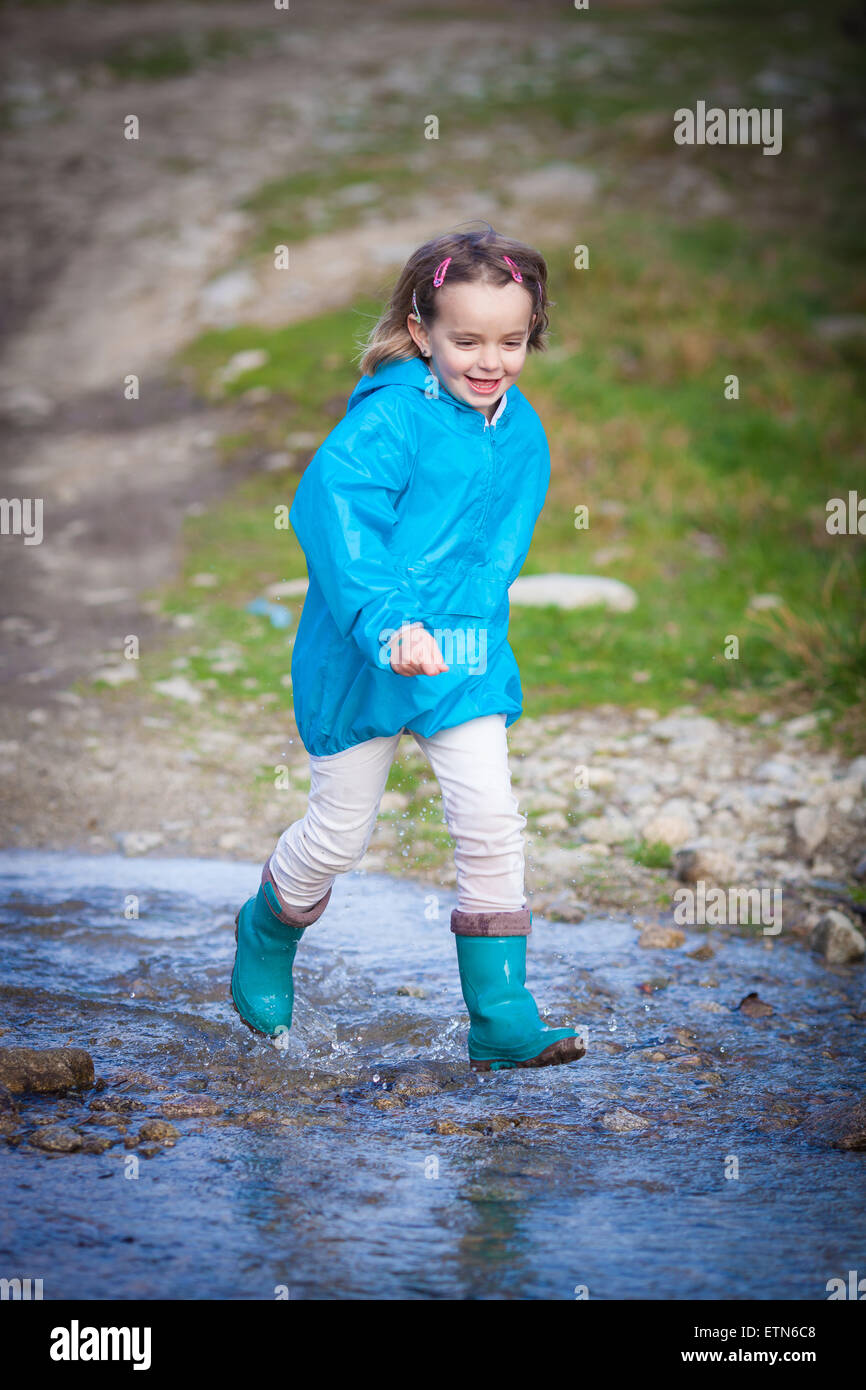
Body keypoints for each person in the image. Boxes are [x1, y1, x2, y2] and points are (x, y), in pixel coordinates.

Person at [230, 226, 585, 1072]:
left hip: (466, 661)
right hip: (365, 658)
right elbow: (336, 518)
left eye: (511, 340)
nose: (489, 360)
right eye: (466, 341)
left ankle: (501, 1017)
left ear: (532, 334)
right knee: (340, 837)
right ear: (423, 332)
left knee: (493, 822)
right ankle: (268, 927)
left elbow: (492, 554)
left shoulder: (522, 430)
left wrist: (468, 638)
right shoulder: (391, 419)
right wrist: (390, 626)